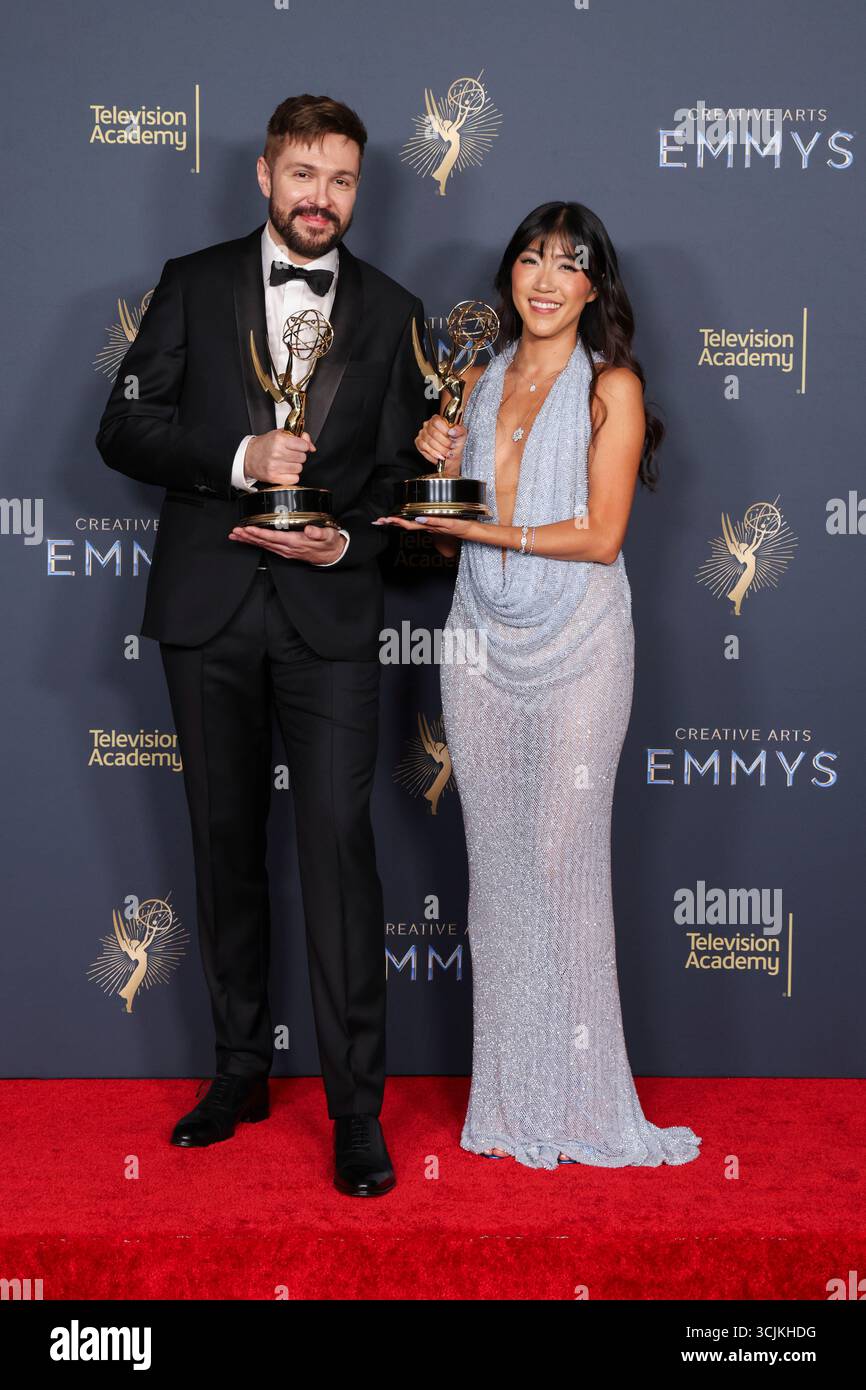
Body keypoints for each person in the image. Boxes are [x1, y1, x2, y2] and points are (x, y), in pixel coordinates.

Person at [96, 94, 430, 1196]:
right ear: (263, 176)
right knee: (223, 845)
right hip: (207, 614)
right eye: (302, 175)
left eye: (339, 181)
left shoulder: (393, 310)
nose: (318, 199)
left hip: (329, 618)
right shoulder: (191, 282)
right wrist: (241, 456)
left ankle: (354, 1110)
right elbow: (123, 426)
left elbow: (395, 487)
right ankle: (239, 1069)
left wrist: (348, 537)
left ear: (358, 188)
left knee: (339, 854)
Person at [377, 202, 702, 1170]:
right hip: (479, 638)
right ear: (509, 276)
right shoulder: (470, 382)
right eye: (529, 258)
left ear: (594, 285)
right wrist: (433, 477)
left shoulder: (614, 387)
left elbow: (600, 536)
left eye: (568, 263)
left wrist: (473, 531)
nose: (545, 278)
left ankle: (586, 1097)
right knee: (499, 873)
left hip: (579, 645)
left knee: (560, 863)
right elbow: (444, 537)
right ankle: (512, 1098)